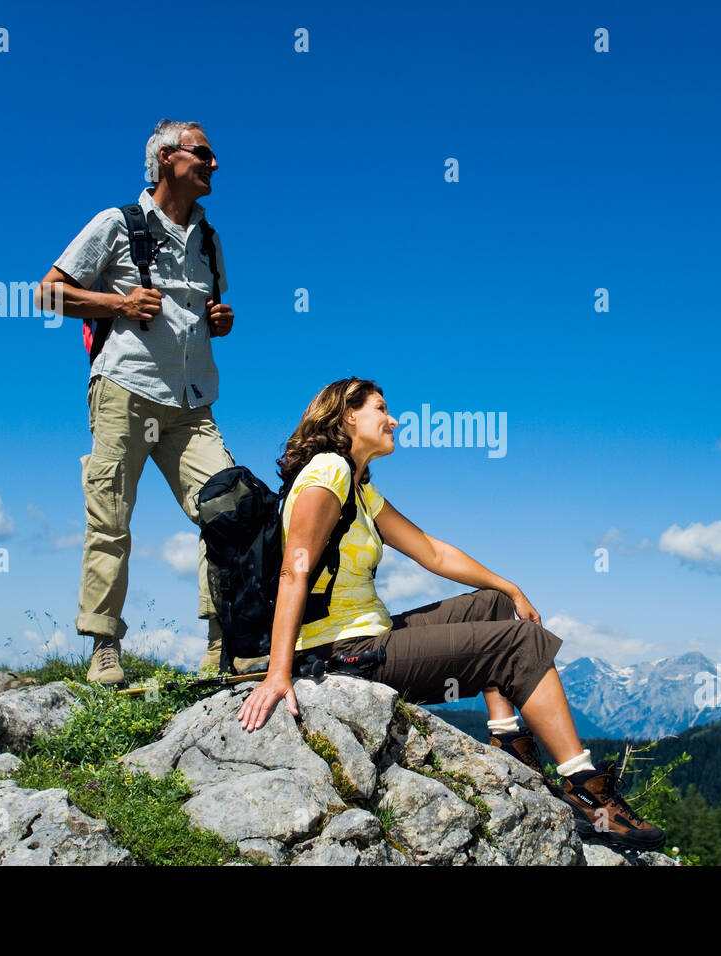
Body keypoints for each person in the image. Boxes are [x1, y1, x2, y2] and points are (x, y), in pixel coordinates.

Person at [236, 377, 665, 851]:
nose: (393, 419)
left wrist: (508, 585)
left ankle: (506, 741)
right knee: (520, 643)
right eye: (381, 408)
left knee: (499, 607)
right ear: (347, 416)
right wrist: (279, 674)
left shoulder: (359, 489)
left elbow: (432, 552)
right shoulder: (328, 471)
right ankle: (583, 786)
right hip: (342, 653)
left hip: (369, 636)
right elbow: (294, 571)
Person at [35, 119, 235, 684]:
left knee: (229, 508)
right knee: (111, 516)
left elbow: (209, 310)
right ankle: (104, 648)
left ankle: (221, 646)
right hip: (125, 387)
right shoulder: (116, 223)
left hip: (192, 402)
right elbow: (47, 291)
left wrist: (219, 320)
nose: (214, 164)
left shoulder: (211, 240)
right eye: (204, 153)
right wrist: (116, 303)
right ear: (167, 158)